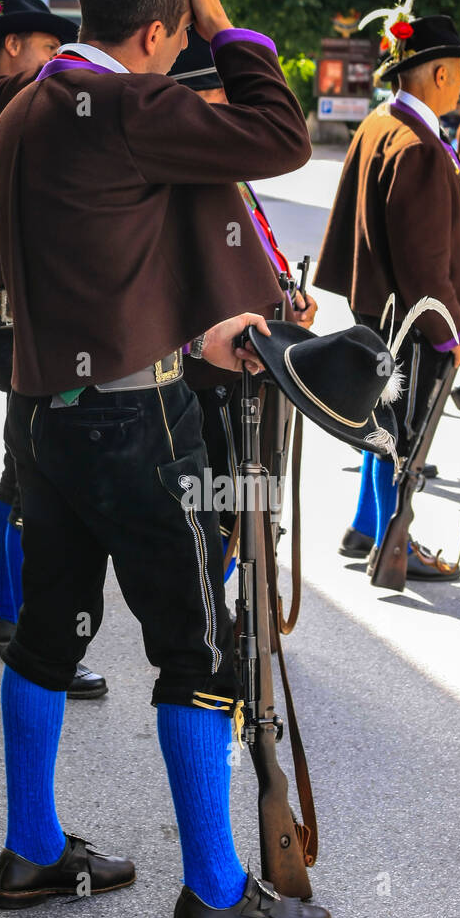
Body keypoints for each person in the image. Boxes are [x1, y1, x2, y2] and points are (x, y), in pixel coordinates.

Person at [0, 0, 331, 918]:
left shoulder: (22, 109)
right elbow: (280, 133)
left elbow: (100, 261)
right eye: (176, 39)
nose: (179, 54)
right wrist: (224, 22)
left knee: (46, 632)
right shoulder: (131, 107)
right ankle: (216, 891)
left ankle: (32, 850)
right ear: (151, 34)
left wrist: (190, 325)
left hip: (43, 412)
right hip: (137, 420)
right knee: (199, 646)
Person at [0, 0, 106, 699]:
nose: (57, 59)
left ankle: (12, 617)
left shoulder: (2, 95)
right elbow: (64, 84)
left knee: (24, 468)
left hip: (18, 315)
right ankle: (22, 627)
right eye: (48, 45)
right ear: (11, 46)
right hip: (26, 319)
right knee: (34, 477)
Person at [314, 14, 460, 582]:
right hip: (412, 319)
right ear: (437, 73)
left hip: (381, 309)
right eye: (458, 73)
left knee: (382, 420)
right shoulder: (415, 144)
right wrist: (452, 331)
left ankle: (366, 525)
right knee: (403, 437)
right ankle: (393, 541)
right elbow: (421, 263)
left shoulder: (383, 123)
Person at [169, 30, 317, 567]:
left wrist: (286, 299)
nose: (233, 108)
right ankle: (219, 628)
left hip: (253, 378)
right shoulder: (180, 181)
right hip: (210, 386)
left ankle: (232, 620)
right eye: (220, 98)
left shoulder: (226, 173)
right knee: (217, 521)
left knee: (247, 518)